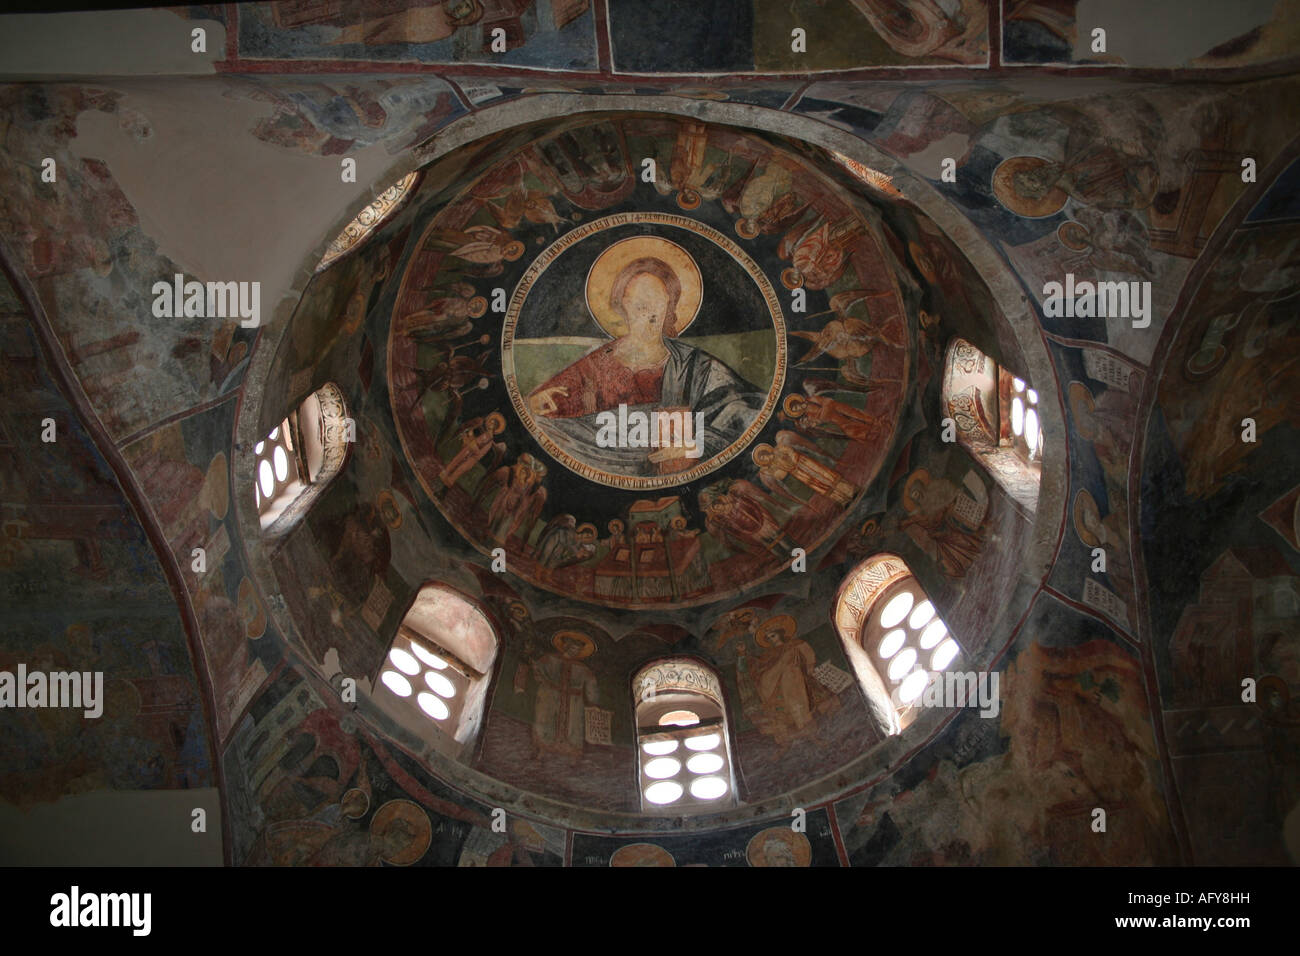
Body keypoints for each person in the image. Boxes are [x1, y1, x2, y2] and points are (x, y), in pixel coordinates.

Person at [527, 256, 763, 473]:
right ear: (623, 306)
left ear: (669, 305)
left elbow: (744, 413)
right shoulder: (596, 363)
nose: (649, 313)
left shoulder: (695, 364)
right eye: (639, 304)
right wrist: (534, 403)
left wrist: (696, 444)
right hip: (600, 463)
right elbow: (547, 407)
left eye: (656, 302)